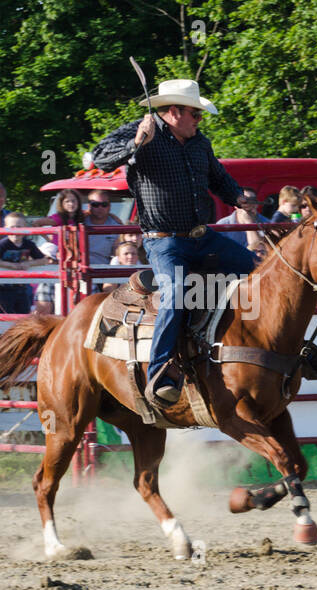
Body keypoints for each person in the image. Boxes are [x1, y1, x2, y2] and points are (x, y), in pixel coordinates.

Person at [92, 78, 255, 407]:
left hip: (201, 235)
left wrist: (237, 195)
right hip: (164, 242)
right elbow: (100, 158)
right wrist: (137, 141)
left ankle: (269, 350)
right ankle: (160, 373)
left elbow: (218, 176)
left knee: (257, 270)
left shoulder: (199, 143)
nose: (199, 120)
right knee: (177, 292)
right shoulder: (140, 131)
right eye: (195, 114)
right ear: (174, 112)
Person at [0, 214, 52, 314]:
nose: (15, 230)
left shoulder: (29, 244)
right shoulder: (3, 244)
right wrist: (10, 265)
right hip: (3, 289)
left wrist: (30, 263)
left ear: (25, 228)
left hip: (22, 288)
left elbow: (43, 260)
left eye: (19, 227)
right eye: (12, 227)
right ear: (5, 229)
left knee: (23, 316)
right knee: (6, 317)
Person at [83, 191, 123, 267]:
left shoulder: (117, 227)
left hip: (104, 270)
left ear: (109, 206)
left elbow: (118, 254)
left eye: (104, 204)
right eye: (95, 204)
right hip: (81, 268)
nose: (100, 208)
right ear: (89, 206)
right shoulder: (79, 223)